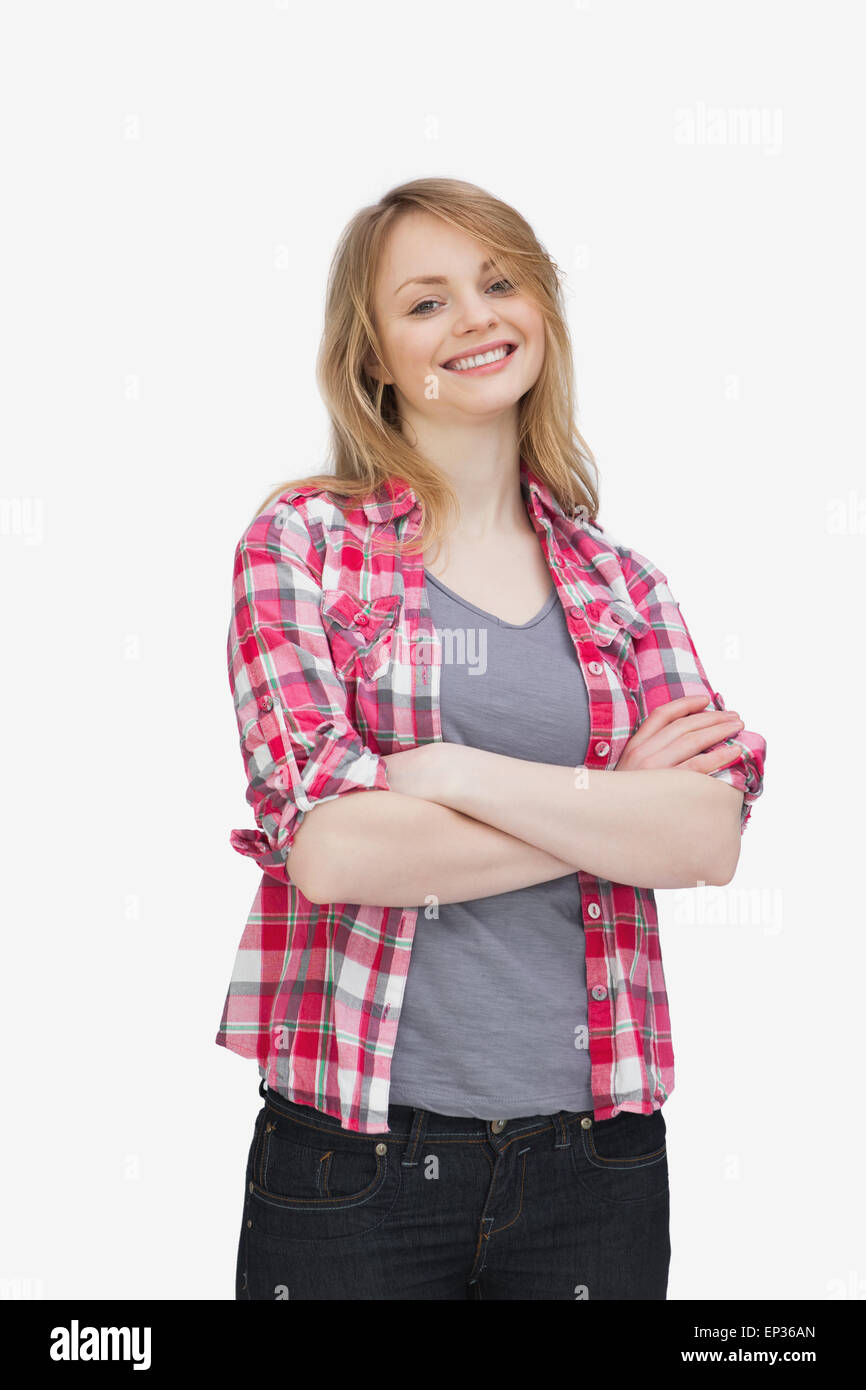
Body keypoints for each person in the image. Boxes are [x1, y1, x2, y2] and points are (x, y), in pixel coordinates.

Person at [216, 177, 767, 1301]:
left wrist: (455, 774)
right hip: (350, 1166)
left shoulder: (622, 586)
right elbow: (329, 852)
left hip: (594, 1166)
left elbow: (706, 835)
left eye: (498, 282)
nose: (474, 317)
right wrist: (610, 808)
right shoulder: (301, 544)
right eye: (425, 302)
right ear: (372, 355)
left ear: (541, 313)